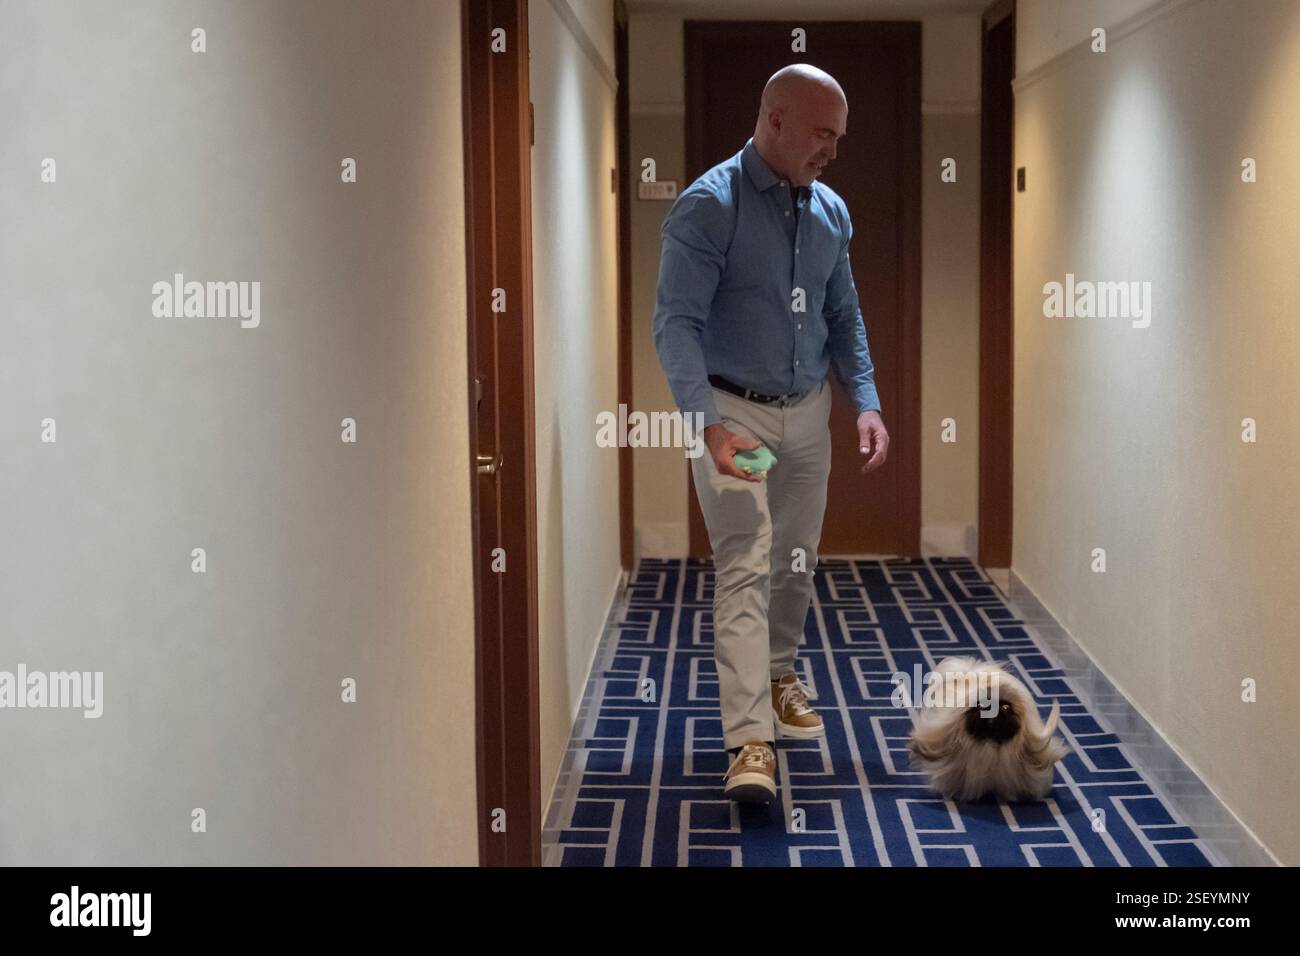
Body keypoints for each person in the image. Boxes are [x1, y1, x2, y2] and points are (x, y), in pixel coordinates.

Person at [652, 63, 889, 804]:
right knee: (745, 563)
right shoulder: (706, 208)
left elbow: (842, 316)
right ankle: (749, 739)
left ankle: (781, 672)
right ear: (775, 119)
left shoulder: (831, 213)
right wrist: (709, 426)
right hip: (734, 415)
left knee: (794, 560)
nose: (834, 151)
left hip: (808, 410)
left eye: (840, 137)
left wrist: (868, 402)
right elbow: (676, 325)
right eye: (824, 134)